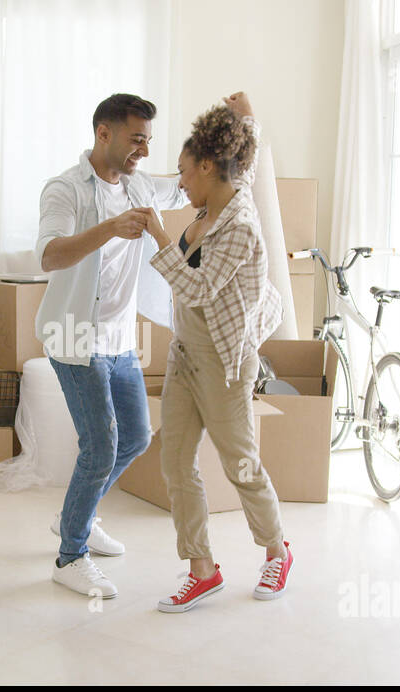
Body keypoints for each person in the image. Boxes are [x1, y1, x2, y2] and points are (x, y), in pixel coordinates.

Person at [34, 93, 190, 598]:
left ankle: (76, 518)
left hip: (121, 339)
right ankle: (70, 555)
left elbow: (185, 184)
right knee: (99, 446)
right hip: (74, 336)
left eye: (148, 140)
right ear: (104, 133)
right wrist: (107, 229)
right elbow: (50, 256)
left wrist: (235, 129)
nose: (143, 150)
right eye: (135, 139)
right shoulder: (65, 189)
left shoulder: (139, 183)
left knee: (137, 438)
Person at [142, 92, 292, 613]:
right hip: (185, 353)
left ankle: (277, 550)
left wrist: (159, 237)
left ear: (208, 167)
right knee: (175, 460)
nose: (180, 182)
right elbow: (242, 158)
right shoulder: (220, 194)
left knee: (240, 463)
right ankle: (201, 568)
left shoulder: (241, 225)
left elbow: (199, 289)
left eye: (185, 172)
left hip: (225, 362)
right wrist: (245, 113)